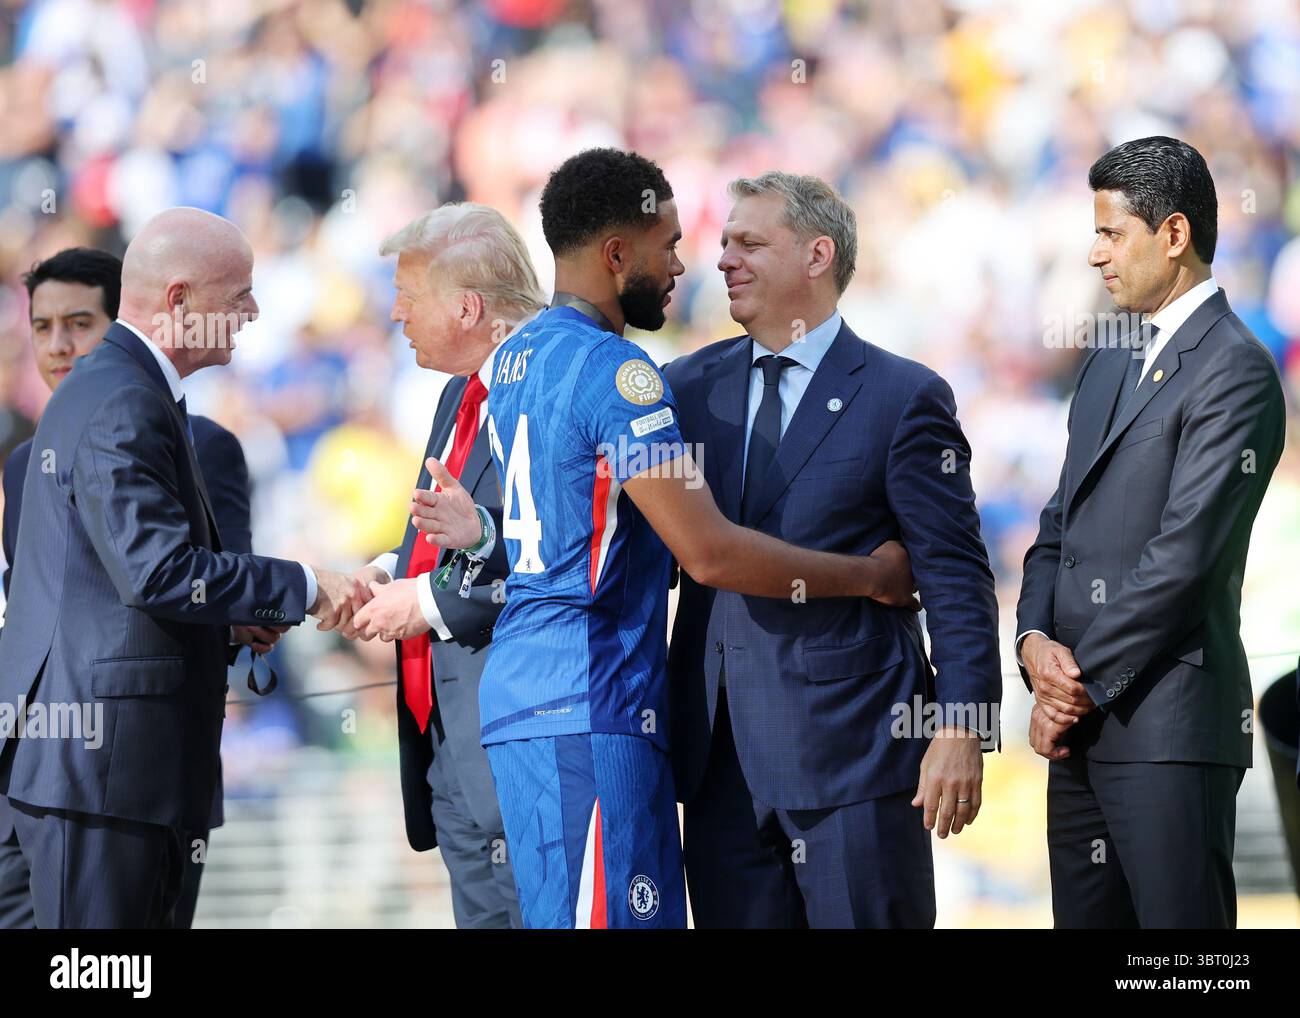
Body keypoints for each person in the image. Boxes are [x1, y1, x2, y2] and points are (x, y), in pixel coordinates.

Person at [409, 149, 916, 929]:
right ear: (617, 255)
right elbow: (707, 550)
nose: (687, 264)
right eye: (668, 244)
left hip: (524, 701)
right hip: (593, 700)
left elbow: (569, 522)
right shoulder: (623, 375)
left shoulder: (511, 362)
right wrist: (869, 577)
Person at [0, 208, 362, 929]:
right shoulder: (122, 398)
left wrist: (238, 618)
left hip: (99, 770)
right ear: (179, 301)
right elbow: (157, 570)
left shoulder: (123, 392)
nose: (253, 312)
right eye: (239, 296)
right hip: (101, 774)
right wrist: (306, 585)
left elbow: (110, 589)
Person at [658, 172, 1002, 928]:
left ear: (818, 256)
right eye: (724, 245)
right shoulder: (680, 390)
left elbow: (955, 577)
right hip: (717, 767)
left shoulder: (903, 395)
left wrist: (963, 724)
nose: (724, 261)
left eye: (750, 243)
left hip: (858, 760)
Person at [1016, 137, 1286, 928]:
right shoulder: (1107, 360)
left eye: (1111, 233)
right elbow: (1057, 525)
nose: (1094, 253)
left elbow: (1183, 562)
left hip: (1167, 730)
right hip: (1081, 734)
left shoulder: (1235, 369)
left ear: (1173, 235)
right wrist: (1032, 640)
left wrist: (1069, 686)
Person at [0, 247, 258, 930]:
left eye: (79, 323)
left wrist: (281, 601)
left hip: (140, 770)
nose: (59, 345)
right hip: (30, 767)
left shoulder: (204, 444)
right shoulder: (24, 461)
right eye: (43, 326)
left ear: (121, 322)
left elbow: (210, 582)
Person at [346, 204, 545, 928]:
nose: (395, 312)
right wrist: (386, 573)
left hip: (521, 737)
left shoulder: (546, 386)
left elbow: (563, 551)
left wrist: (424, 604)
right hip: (447, 741)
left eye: (408, 294)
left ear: (468, 306)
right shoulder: (459, 390)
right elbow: (450, 536)